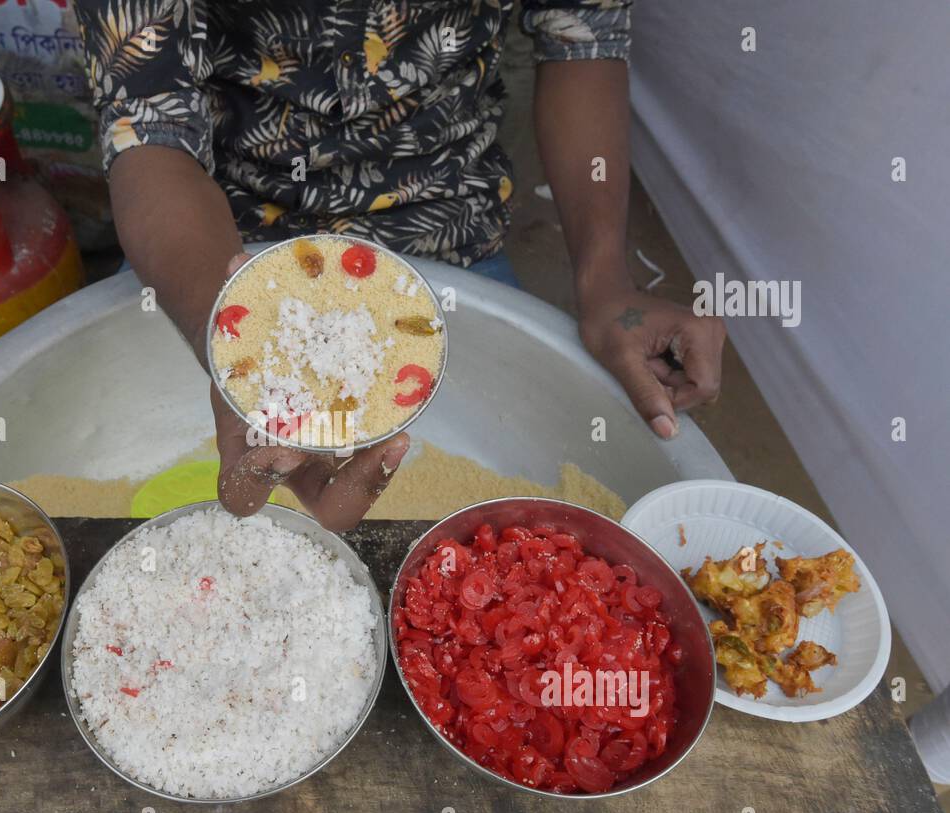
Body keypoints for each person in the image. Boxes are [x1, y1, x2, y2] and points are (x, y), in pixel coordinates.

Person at [74, 0, 726, 531]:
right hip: (223, 237)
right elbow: (148, 126)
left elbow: (582, 36)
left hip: (445, 223)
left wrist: (606, 280)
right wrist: (230, 336)